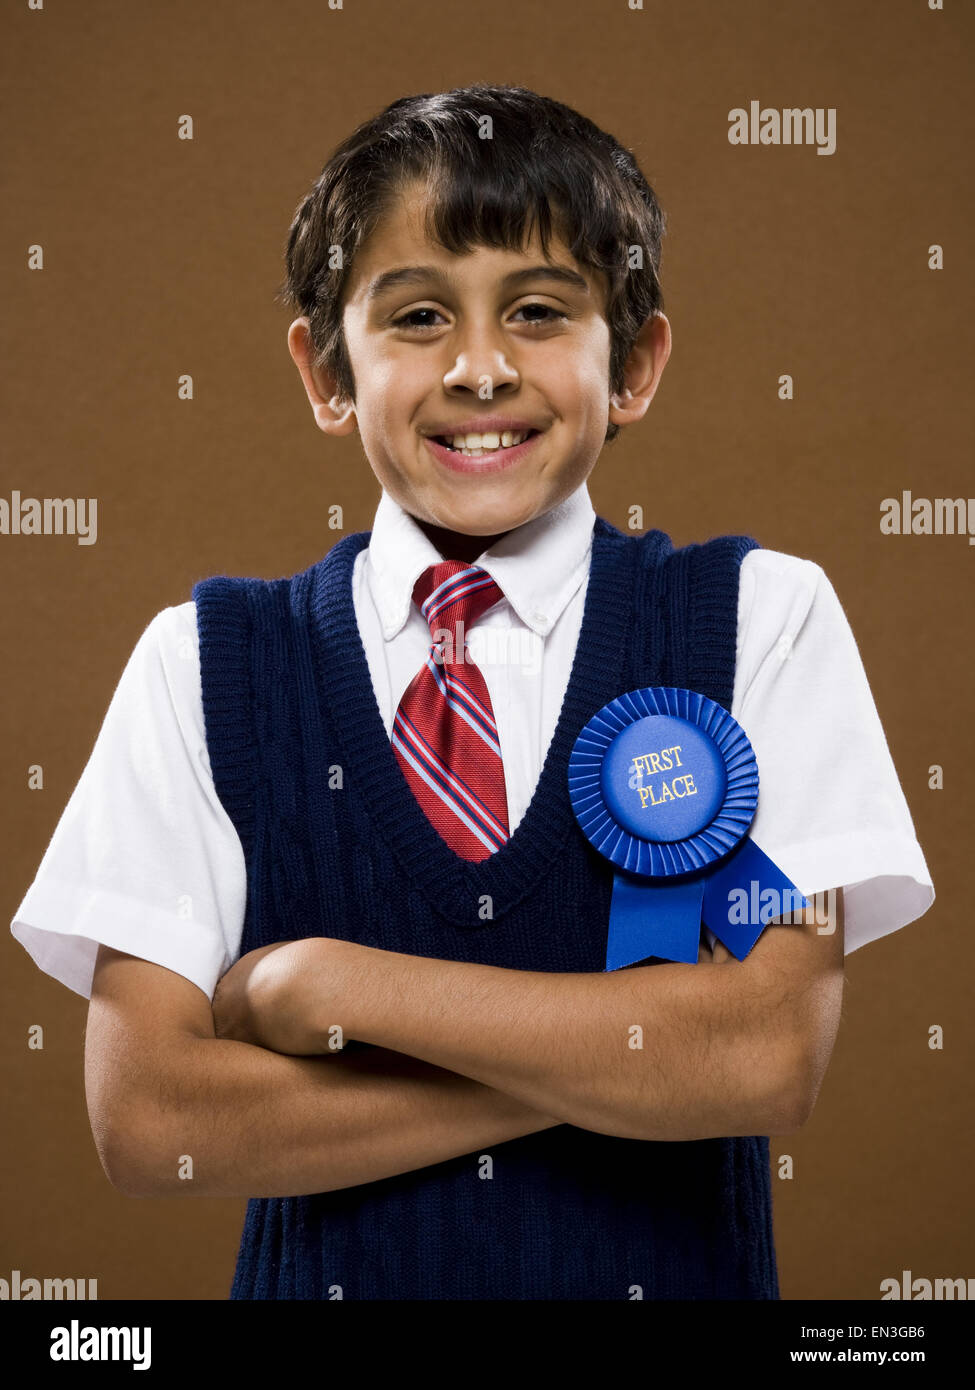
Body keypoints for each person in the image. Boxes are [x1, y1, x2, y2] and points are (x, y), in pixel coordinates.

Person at [10, 84, 934, 1301]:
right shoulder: (202, 663)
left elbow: (765, 1053)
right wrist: (626, 1062)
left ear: (637, 363)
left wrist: (335, 987)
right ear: (328, 372)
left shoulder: (765, 620)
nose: (483, 368)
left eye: (542, 312)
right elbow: (150, 1118)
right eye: (419, 317)